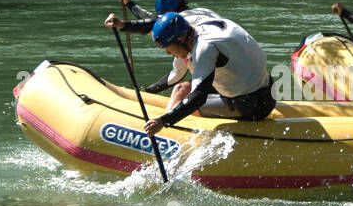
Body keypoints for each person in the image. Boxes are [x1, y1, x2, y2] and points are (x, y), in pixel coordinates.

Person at [107, 12, 276, 131]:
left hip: (253, 106)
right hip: (263, 86)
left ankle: (173, 137)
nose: (167, 52)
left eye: (168, 47)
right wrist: (123, 26)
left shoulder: (205, 48)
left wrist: (163, 121)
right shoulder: (194, 23)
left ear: (180, 39)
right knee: (181, 89)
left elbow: (198, 97)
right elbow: (157, 23)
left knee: (189, 105)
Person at [108, 0, 219, 93]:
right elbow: (150, 19)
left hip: (222, 88)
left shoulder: (180, 29)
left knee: (180, 89)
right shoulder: (203, 12)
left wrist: (123, 25)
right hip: (231, 70)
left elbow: (176, 74)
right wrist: (129, 3)